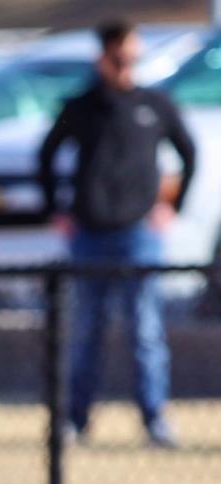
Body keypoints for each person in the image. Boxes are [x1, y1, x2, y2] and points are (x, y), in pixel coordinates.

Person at [39, 18, 196, 448]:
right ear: (102, 58)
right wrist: (57, 210)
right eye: (118, 58)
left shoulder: (155, 104)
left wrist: (172, 206)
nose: (126, 67)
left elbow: (189, 153)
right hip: (89, 235)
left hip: (139, 236)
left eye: (132, 58)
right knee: (87, 329)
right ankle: (75, 420)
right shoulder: (83, 107)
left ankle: (154, 420)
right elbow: (46, 156)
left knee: (144, 331)